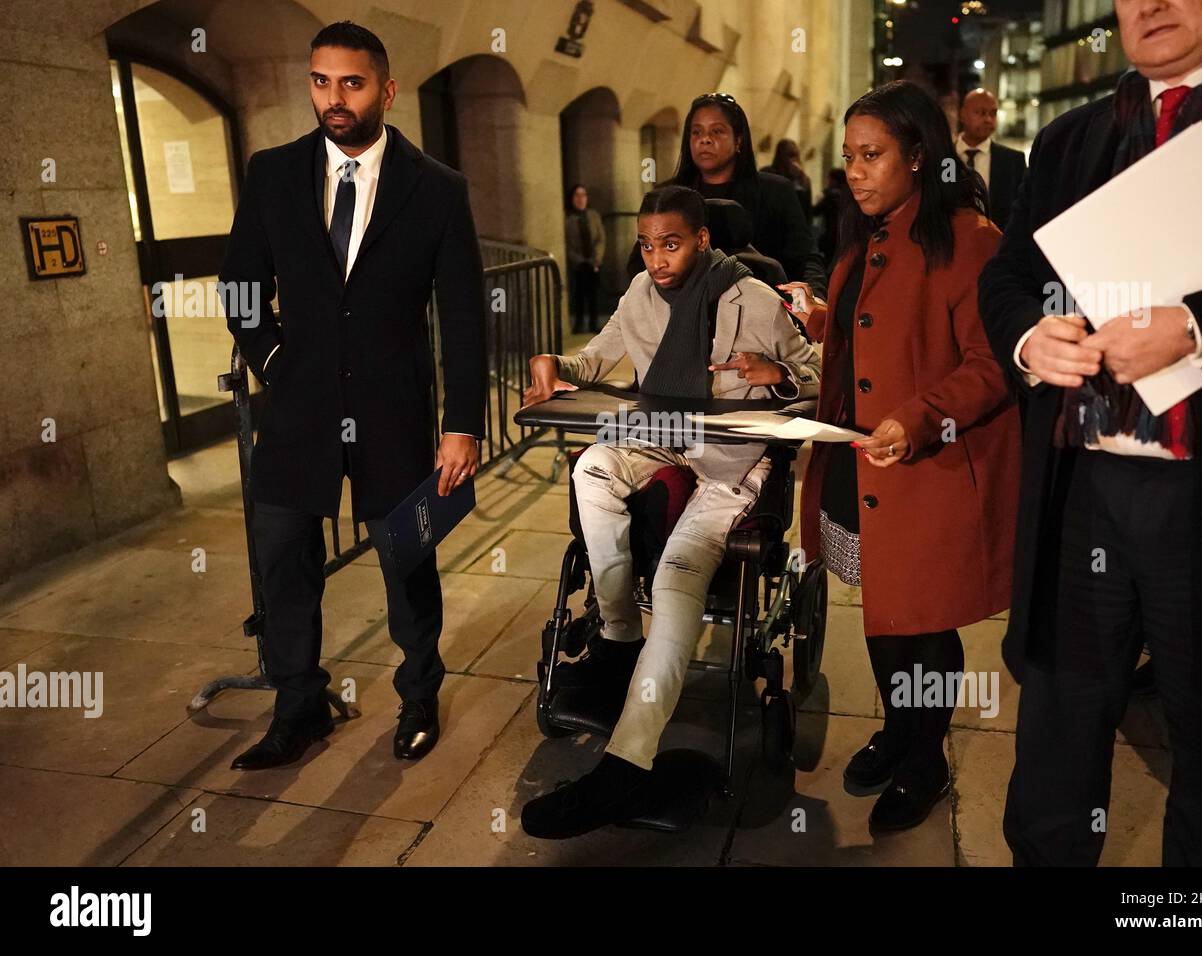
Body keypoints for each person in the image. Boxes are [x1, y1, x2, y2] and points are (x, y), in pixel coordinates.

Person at [979, 0, 1202, 865]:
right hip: (1083, 483)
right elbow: (1009, 273)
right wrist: (1025, 335)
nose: (1150, 4)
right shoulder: (1071, 136)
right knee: (1057, 729)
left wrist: (1198, 327)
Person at [219, 21, 487, 769]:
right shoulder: (271, 173)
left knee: (407, 560)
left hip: (393, 412)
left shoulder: (436, 189)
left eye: (352, 82)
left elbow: (462, 314)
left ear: (387, 90)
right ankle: (298, 707)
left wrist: (462, 424)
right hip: (297, 412)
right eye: (320, 80)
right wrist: (274, 358)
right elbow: (241, 285)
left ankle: (418, 697)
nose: (333, 98)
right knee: (284, 561)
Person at [519, 185, 821, 838]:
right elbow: (595, 358)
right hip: (664, 431)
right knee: (592, 467)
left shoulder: (754, 300)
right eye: (648, 245)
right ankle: (621, 634)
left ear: (704, 240)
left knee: (678, 575)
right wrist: (556, 364)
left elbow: (821, 370)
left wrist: (781, 375)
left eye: (672, 243)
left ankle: (627, 763)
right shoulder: (638, 294)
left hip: (732, 450)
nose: (657, 259)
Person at [784, 81, 1021, 831]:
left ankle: (924, 762)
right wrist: (818, 322)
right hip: (861, 465)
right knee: (883, 614)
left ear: (918, 156)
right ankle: (897, 731)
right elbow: (873, 336)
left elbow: (992, 365)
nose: (855, 171)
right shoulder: (867, 235)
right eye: (849, 156)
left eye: (872, 155)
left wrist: (919, 419)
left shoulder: (969, 239)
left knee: (923, 623)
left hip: (930, 470)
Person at [627, 93, 827, 298]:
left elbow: (805, 258)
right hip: (680, 310)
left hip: (760, 310)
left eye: (717, 131)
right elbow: (640, 263)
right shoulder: (668, 195)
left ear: (738, 140)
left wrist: (815, 302)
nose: (705, 139)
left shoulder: (774, 191)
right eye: (696, 132)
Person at [955, 88, 1026, 231]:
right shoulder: (946, 157)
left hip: (998, 244)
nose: (988, 119)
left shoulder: (1012, 161)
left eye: (993, 113)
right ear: (962, 115)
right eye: (980, 112)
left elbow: (1023, 209)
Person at [564, 183, 605, 333]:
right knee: (579, 294)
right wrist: (578, 260)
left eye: (583, 195)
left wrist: (597, 258)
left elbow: (600, 238)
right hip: (578, 264)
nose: (580, 199)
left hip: (593, 262)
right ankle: (579, 323)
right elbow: (567, 244)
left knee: (593, 294)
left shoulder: (593, 216)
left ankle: (594, 323)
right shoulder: (568, 219)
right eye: (577, 195)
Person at [762, 137, 814, 223]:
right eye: (790, 155)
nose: (793, 160)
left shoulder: (804, 179)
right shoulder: (768, 173)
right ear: (780, 156)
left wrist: (798, 180)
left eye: (796, 155)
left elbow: (806, 210)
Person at [812, 167, 850, 265]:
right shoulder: (849, 195)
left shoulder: (830, 195)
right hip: (846, 236)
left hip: (831, 236)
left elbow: (815, 211)